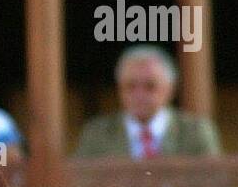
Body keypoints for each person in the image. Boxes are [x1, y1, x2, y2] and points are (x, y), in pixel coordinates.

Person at [74, 45, 220, 158]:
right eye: (130, 86)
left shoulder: (195, 132)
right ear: (119, 88)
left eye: (150, 86)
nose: (139, 95)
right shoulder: (96, 134)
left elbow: (213, 185)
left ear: (170, 89)